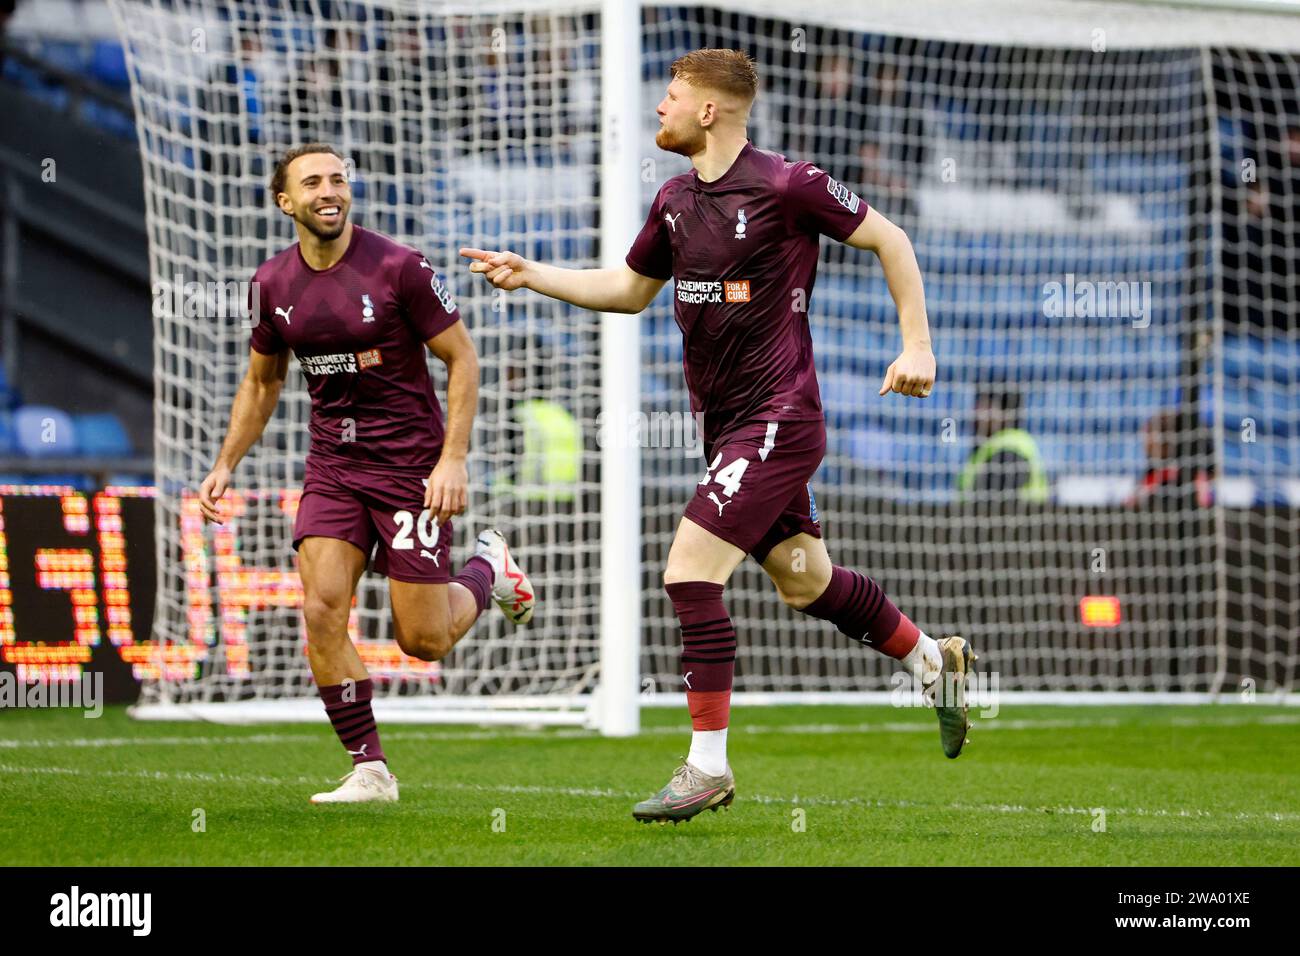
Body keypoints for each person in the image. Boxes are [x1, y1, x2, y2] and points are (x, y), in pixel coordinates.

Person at [461, 49, 976, 825]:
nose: (658, 110)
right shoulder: (672, 200)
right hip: (726, 428)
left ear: (708, 110)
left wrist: (918, 346)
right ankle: (934, 661)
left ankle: (707, 765)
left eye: (670, 97)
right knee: (805, 580)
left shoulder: (788, 185)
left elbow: (892, 240)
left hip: (780, 417)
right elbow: (630, 292)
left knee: (688, 571)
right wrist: (531, 272)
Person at [197, 144, 534, 805]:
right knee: (321, 608)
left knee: (424, 640)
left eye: (338, 179)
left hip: (410, 467)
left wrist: (453, 458)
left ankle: (489, 569)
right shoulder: (271, 284)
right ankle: (370, 770)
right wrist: (225, 463)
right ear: (285, 202)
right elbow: (263, 382)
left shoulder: (399, 269)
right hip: (333, 468)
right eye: (313, 182)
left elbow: (461, 361)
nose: (330, 190)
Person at [957, 385, 1048, 502]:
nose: (977, 413)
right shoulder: (993, 445)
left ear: (1006, 413)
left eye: (986, 407)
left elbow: (993, 502)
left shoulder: (1009, 449)